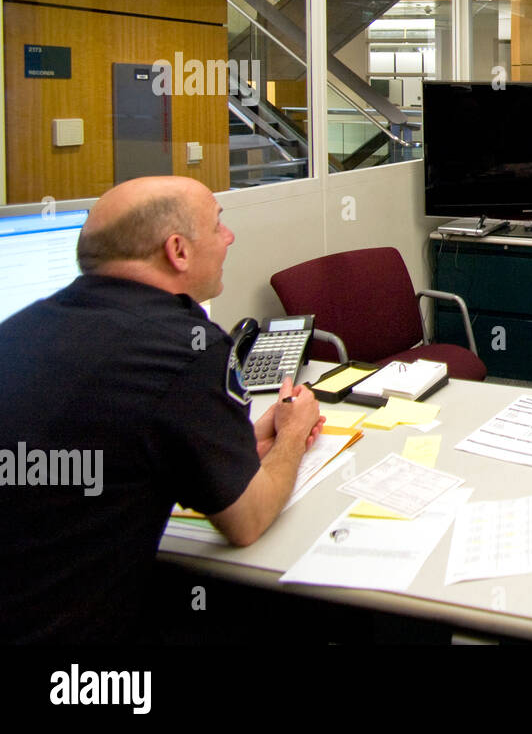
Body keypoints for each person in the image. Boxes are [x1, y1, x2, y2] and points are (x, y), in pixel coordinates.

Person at [0, 176, 323, 642]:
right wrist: (293, 433)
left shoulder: (23, 330)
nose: (229, 237)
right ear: (178, 250)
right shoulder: (184, 349)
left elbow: (122, 445)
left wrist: (231, 444)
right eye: (218, 225)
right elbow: (246, 523)